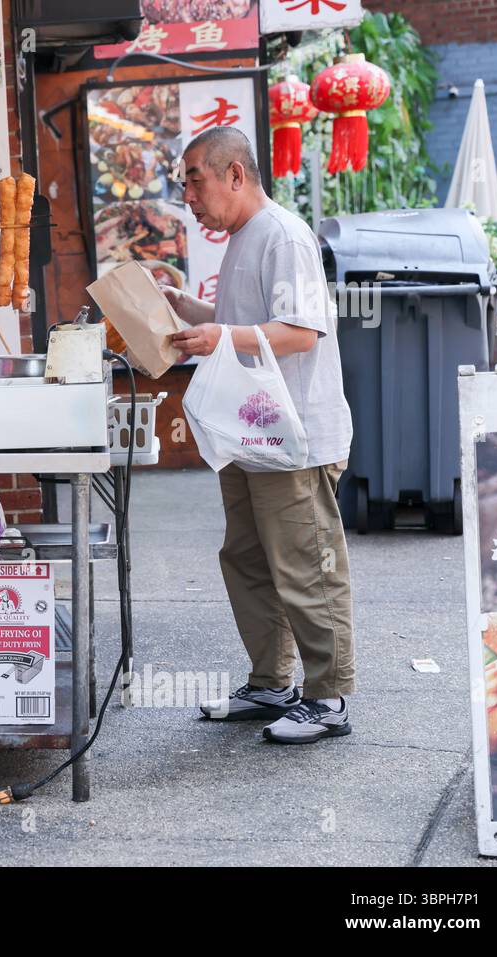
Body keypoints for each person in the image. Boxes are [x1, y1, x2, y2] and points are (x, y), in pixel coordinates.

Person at [163, 126, 356, 744]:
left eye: (195, 179)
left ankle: (328, 699)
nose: (187, 194)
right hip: (252, 434)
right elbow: (244, 324)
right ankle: (271, 682)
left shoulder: (284, 234)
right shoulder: (244, 237)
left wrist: (220, 336)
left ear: (236, 175)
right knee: (247, 558)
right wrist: (185, 308)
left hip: (294, 437)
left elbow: (301, 332)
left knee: (305, 564)